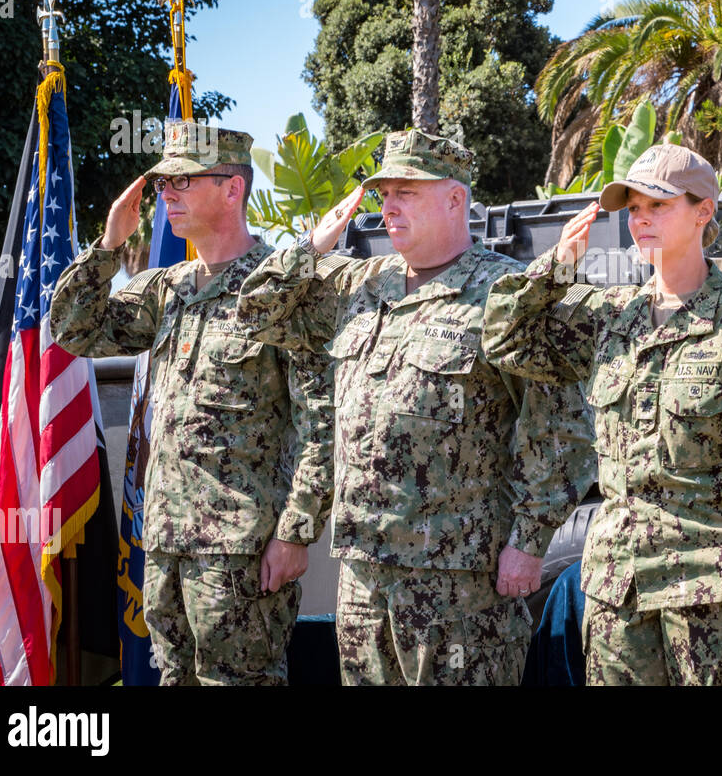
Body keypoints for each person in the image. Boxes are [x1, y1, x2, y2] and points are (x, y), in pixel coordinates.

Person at [235, 129, 595, 686]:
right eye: (383, 194)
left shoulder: (505, 294)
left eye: (406, 191)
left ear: (455, 199)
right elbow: (257, 313)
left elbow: (562, 427)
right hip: (363, 577)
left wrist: (529, 541)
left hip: (461, 584)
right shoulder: (359, 286)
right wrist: (309, 249)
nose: (389, 206)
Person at [481, 143, 722, 686]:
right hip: (618, 595)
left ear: (704, 211)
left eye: (658, 205)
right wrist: (554, 268)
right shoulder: (606, 317)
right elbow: (503, 337)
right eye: (634, 207)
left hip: (718, 593)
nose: (640, 217)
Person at [50, 120, 332, 685]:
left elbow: (321, 421)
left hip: (241, 552)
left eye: (183, 181)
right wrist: (108, 247)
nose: (166, 194)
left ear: (232, 190)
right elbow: (73, 330)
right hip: (165, 542)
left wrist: (296, 532)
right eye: (162, 184)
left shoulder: (282, 285)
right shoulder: (169, 288)